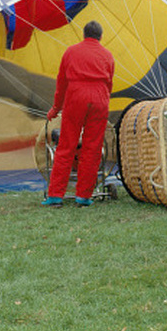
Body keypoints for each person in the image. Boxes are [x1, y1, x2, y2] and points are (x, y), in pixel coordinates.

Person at [41, 20, 115, 207]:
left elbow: (61, 84)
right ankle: (84, 196)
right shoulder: (108, 55)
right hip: (100, 99)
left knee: (66, 146)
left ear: (84, 34)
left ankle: (56, 196)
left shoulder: (71, 52)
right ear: (100, 36)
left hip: (76, 97)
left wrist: (56, 108)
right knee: (92, 148)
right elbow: (109, 85)